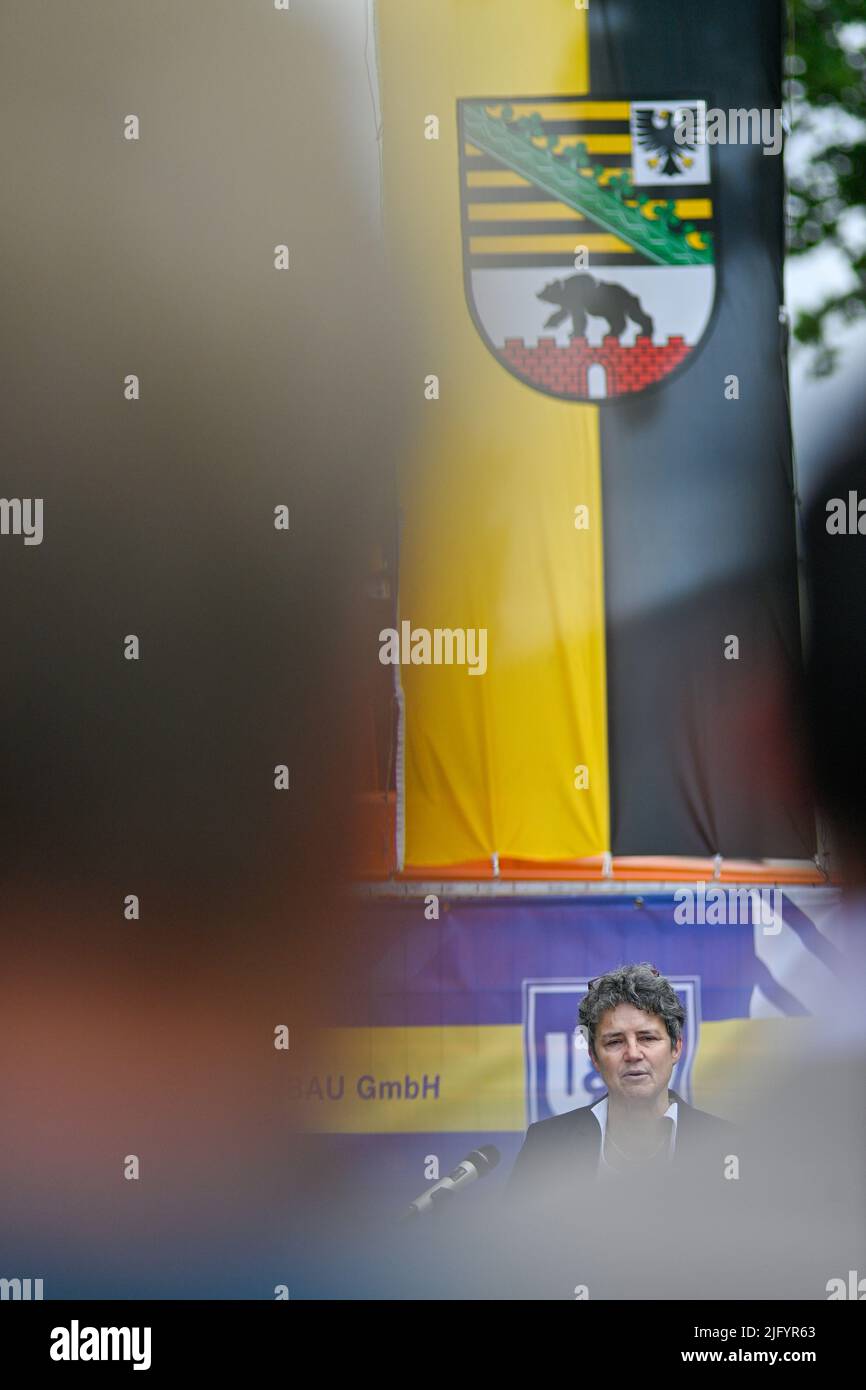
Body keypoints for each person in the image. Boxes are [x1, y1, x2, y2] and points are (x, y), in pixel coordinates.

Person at [506, 962, 736, 1208]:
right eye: (615, 1042)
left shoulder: (730, 1145)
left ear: (676, 1048)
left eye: (647, 1038)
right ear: (594, 1057)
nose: (633, 1053)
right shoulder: (546, 1147)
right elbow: (516, 1242)